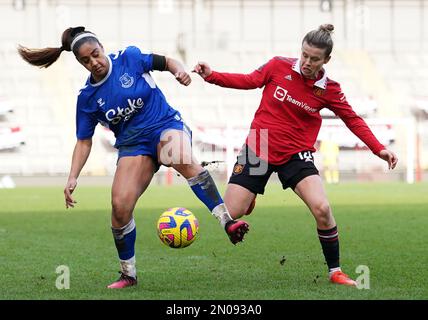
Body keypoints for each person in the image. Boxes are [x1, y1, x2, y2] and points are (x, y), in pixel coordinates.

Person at [18, 26, 249, 289]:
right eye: (86, 60)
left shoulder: (129, 57)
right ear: (80, 63)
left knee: (179, 153)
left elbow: (167, 62)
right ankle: (128, 274)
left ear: (102, 47)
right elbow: (84, 141)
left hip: (165, 125)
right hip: (133, 146)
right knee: (119, 207)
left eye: (95, 54)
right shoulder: (87, 98)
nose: (94, 62)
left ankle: (227, 222)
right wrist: (72, 176)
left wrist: (179, 71)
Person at [193, 24, 398, 287]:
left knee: (322, 209)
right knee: (232, 212)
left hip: (296, 153)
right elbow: (248, 81)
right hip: (260, 144)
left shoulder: (330, 89)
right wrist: (212, 75)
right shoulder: (278, 66)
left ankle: (334, 271)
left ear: (326, 60)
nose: (307, 62)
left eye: (314, 58)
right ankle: (249, 196)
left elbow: (352, 119)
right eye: (304, 55)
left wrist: (378, 148)